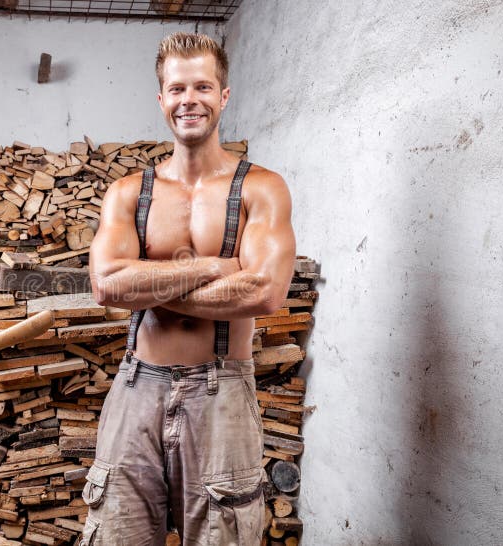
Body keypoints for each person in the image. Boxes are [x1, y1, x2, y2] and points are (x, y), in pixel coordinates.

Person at [84, 32, 296, 545]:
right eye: (177, 89)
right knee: (117, 531)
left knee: (224, 535)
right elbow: (107, 283)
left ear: (223, 95)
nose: (189, 100)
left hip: (221, 389)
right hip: (138, 386)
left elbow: (265, 292)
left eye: (202, 86)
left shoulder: (261, 187)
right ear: (162, 100)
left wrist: (147, 281)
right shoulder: (130, 192)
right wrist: (211, 267)